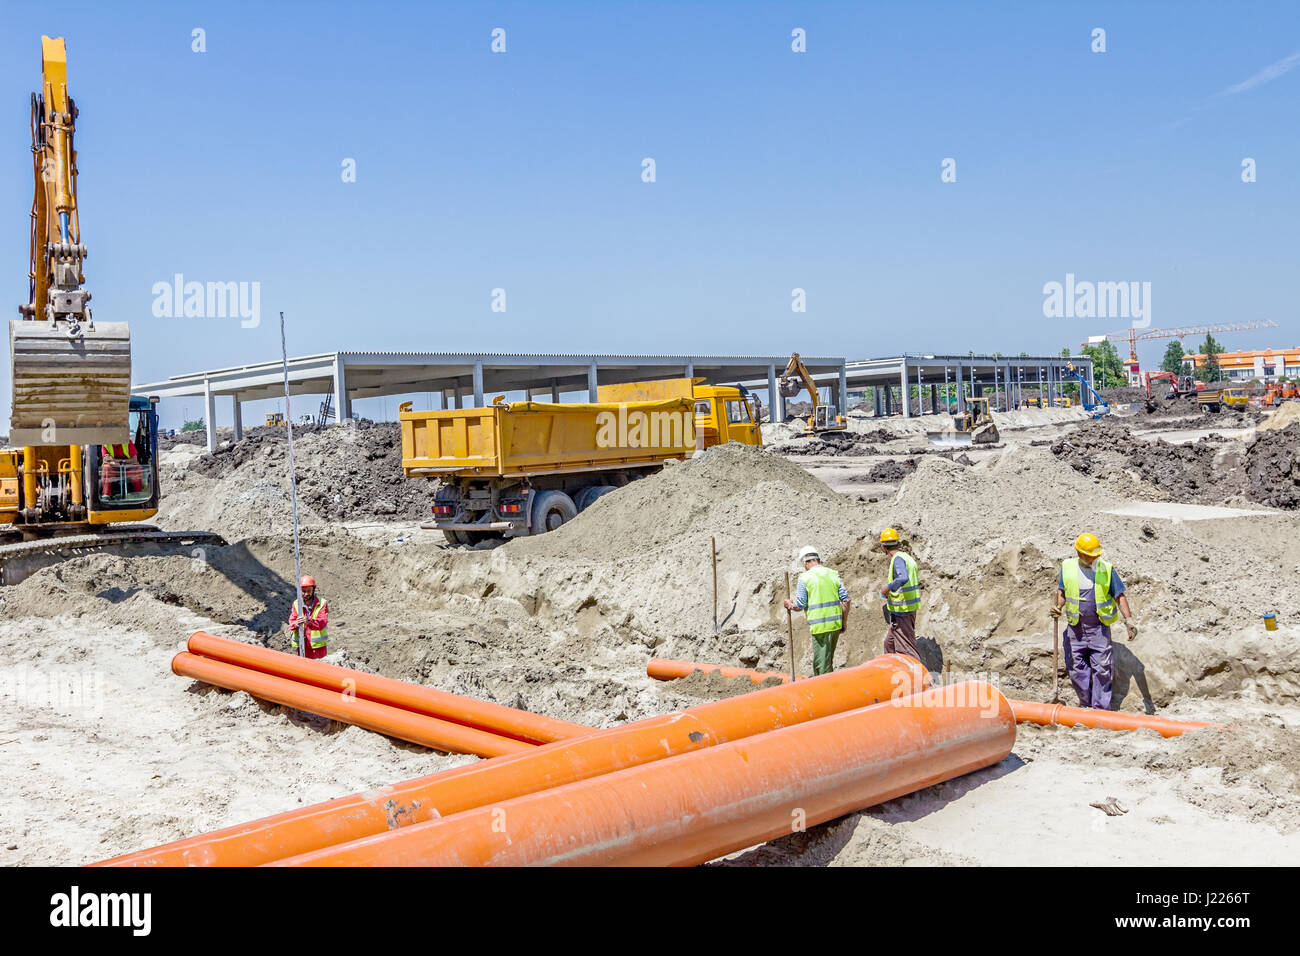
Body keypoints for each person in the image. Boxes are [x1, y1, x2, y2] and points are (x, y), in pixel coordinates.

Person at [1051, 532, 1136, 710]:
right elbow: (1062, 591)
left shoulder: (1106, 569)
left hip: (1098, 628)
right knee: (1076, 668)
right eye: (1091, 555)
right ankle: (1085, 704)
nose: (1095, 558)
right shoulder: (1067, 567)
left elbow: (1119, 596)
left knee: (1103, 669)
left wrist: (1128, 621)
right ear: (1080, 553)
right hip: (1076, 628)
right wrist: (1058, 607)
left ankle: (1100, 709)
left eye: (1096, 554)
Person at [783, 545, 850, 676]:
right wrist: (844, 621)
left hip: (820, 628)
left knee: (822, 666)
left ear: (805, 562)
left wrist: (789, 605)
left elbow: (800, 605)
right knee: (826, 661)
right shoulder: (833, 574)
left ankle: (825, 692)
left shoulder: (805, 578)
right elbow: (846, 600)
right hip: (836, 625)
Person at [878, 528, 921, 660]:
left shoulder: (897, 559)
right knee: (889, 644)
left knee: (907, 650)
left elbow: (903, 578)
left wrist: (887, 588)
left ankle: (920, 679)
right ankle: (891, 674)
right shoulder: (906, 557)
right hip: (905, 609)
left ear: (883, 547)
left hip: (902, 610)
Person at [287, 575, 330, 660]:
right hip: (302, 647)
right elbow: (291, 624)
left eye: (309, 591)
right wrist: (296, 623)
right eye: (303, 591)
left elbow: (322, 622)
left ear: (313, 590)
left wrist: (309, 622)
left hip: (318, 648)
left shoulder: (322, 603)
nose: (306, 593)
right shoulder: (296, 604)